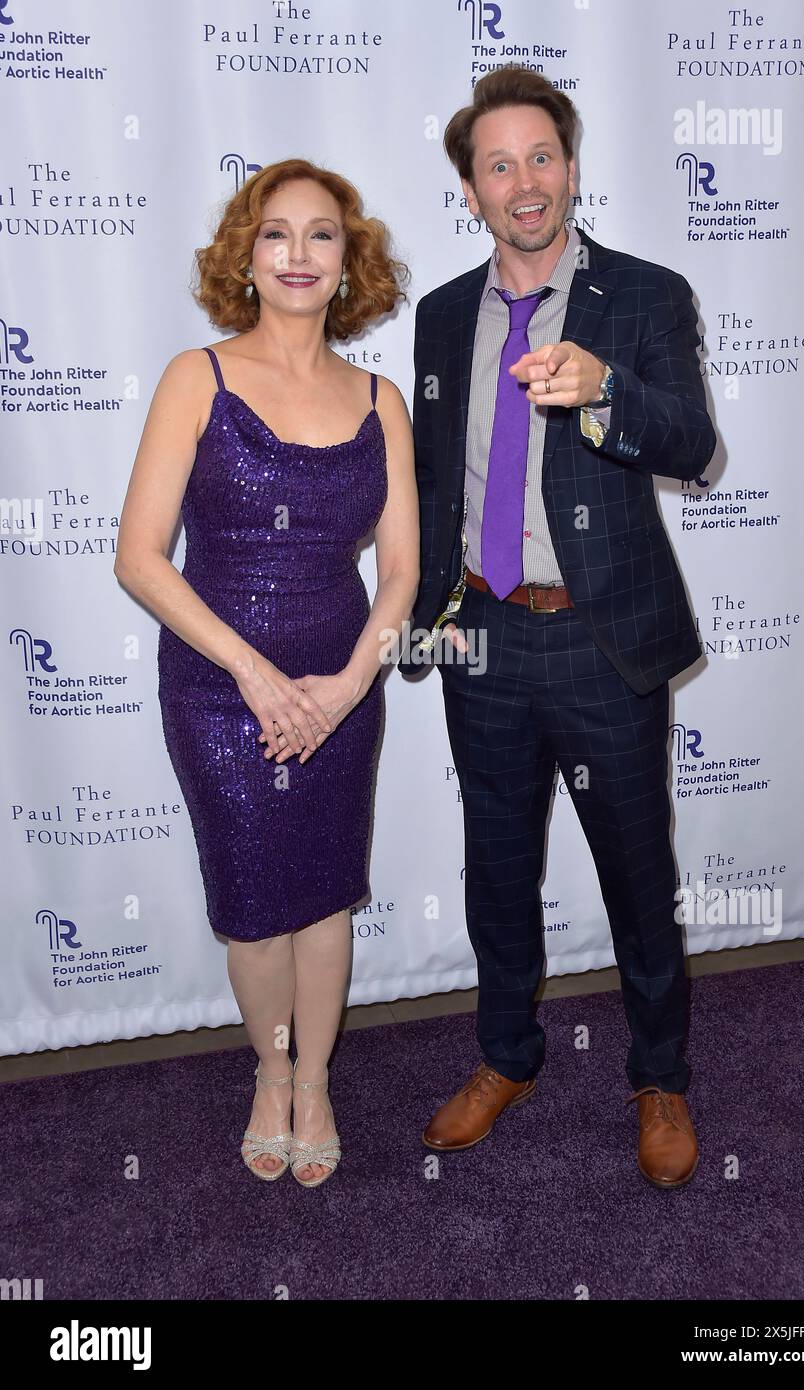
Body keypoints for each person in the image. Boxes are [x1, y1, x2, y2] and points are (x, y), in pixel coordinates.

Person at [399, 66, 717, 1188]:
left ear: (571, 168)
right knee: (494, 867)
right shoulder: (440, 317)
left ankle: (658, 1074)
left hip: (598, 636)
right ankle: (505, 1055)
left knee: (636, 872)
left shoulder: (643, 293)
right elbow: (437, 482)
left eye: (540, 157)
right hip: (478, 639)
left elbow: (690, 446)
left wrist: (602, 390)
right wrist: (423, 621)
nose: (522, 183)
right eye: (497, 165)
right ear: (470, 191)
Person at [114, 159, 418, 1186]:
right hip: (216, 686)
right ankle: (270, 1069)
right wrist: (251, 673)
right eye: (275, 234)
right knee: (253, 904)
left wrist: (342, 688)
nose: (298, 254)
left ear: (348, 260)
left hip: (340, 687)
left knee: (324, 897)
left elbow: (404, 574)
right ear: (245, 256)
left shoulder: (379, 399)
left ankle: (317, 1080)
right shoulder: (194, 377)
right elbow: (140, 556)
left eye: (320, 234)